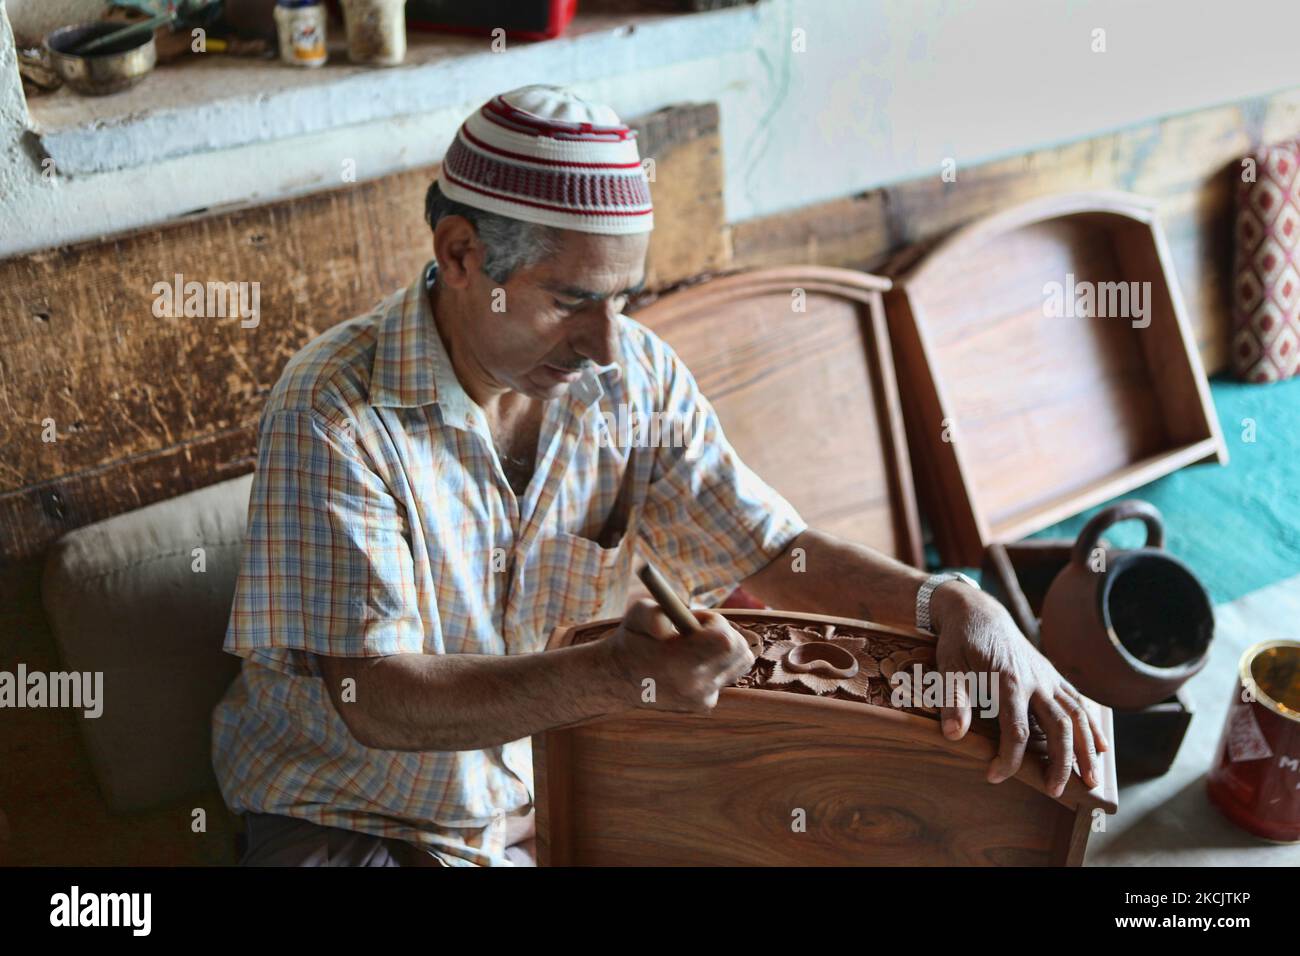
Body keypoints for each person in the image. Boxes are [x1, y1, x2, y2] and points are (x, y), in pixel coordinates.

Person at [212, 84, 1107, 867]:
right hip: (359, 811)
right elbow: (376, 699)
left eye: (624, 298)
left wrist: (952, 604)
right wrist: (611, 676)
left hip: (554, 789)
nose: (607, 345)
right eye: (571, 302)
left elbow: (773, 551)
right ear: (459, 255)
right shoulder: (334, 408)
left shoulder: (631, 376)